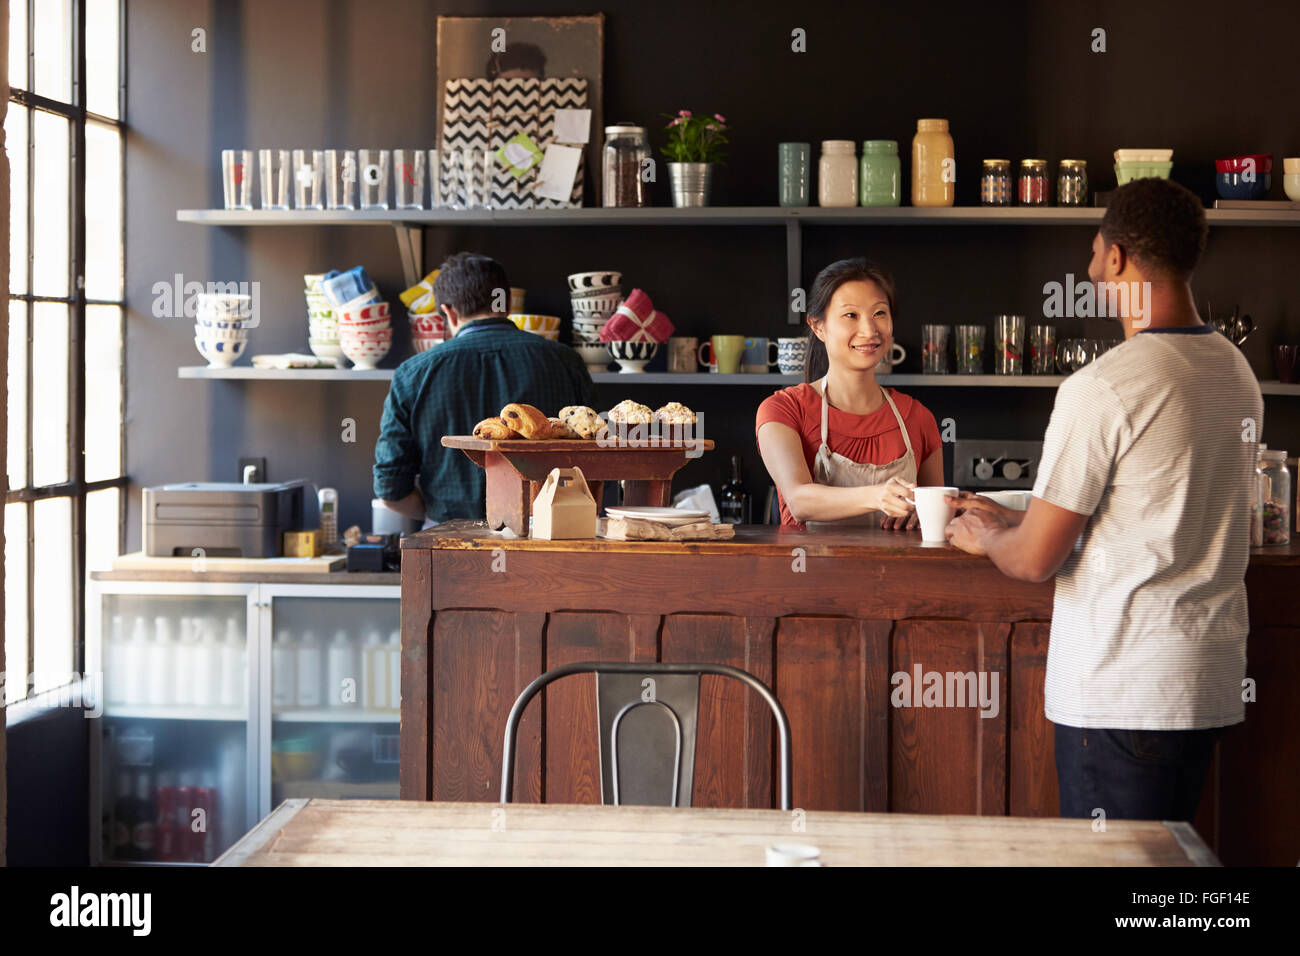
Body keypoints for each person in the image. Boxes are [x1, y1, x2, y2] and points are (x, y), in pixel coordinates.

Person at [945, 177, 1263, 822]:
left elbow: (1035, 561)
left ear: (1115, 257)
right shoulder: (1236, 372)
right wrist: (1017, 515)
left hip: (1122, 688)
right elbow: (1150, 512)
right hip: (1205, 683)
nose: (1090, 267)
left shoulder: (1105, 385)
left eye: (1094, 251)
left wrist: (987, 539)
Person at [374, 252, 598, 523]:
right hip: (548, 537)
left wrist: (438, 518)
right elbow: (596, 462)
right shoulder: (565, 361)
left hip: (451, 542)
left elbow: (390, 488)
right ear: (506, 303)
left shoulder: (412, 374)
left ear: (448, 311)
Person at [756, 258, 944, 530]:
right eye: (850, 315)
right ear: (818, 327)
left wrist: (925, 514)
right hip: (809, 571)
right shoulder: (783, 410)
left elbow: (936, 517)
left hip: (899, 572)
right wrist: (878, 495)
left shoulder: (918, 417)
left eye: (879, 313)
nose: (869, 331)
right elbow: (799, 500)